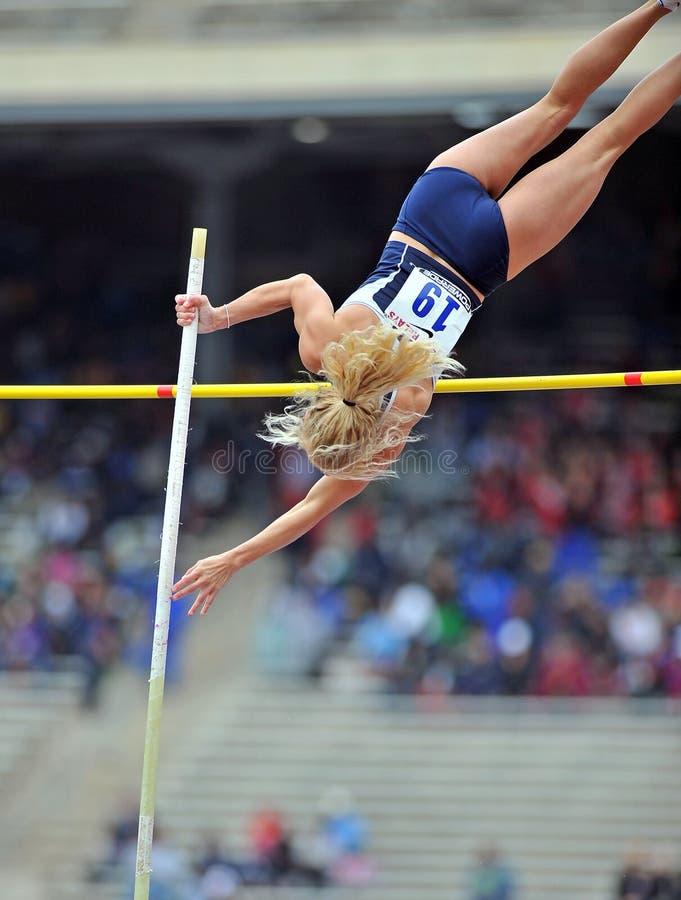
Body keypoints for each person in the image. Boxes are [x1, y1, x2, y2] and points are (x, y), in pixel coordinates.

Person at [172, 1, 681, 616]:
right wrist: (219, 314)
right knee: (555, 108)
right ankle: (658, 3)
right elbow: (297, 283)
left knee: (608, 140)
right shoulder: (325, 346)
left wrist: (236, 557)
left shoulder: (400, 417)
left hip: (482, 259)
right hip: (428, 211)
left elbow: (310, 510)